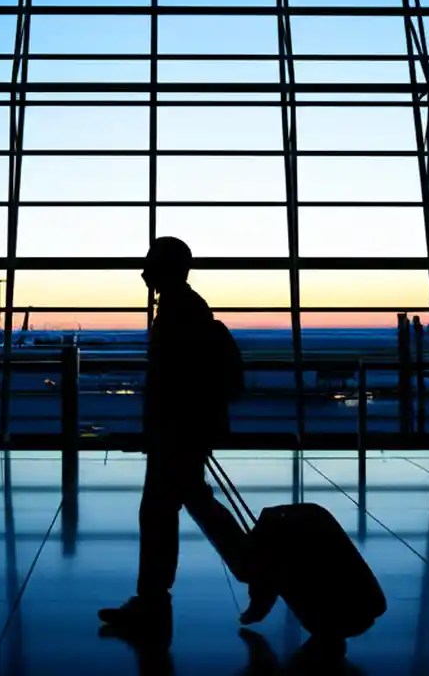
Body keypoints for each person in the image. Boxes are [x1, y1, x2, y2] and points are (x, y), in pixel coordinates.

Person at [98, 237, 277, 638]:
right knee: (189, 503)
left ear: (166, 267)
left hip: (176, 430)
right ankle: (252, 571)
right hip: (184, 428)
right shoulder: (185, 306)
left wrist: (162, 426)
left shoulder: (179, 310)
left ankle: (164, 595)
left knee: (162, 512)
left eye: (150, 261)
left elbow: (174, 380)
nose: (143, 269)